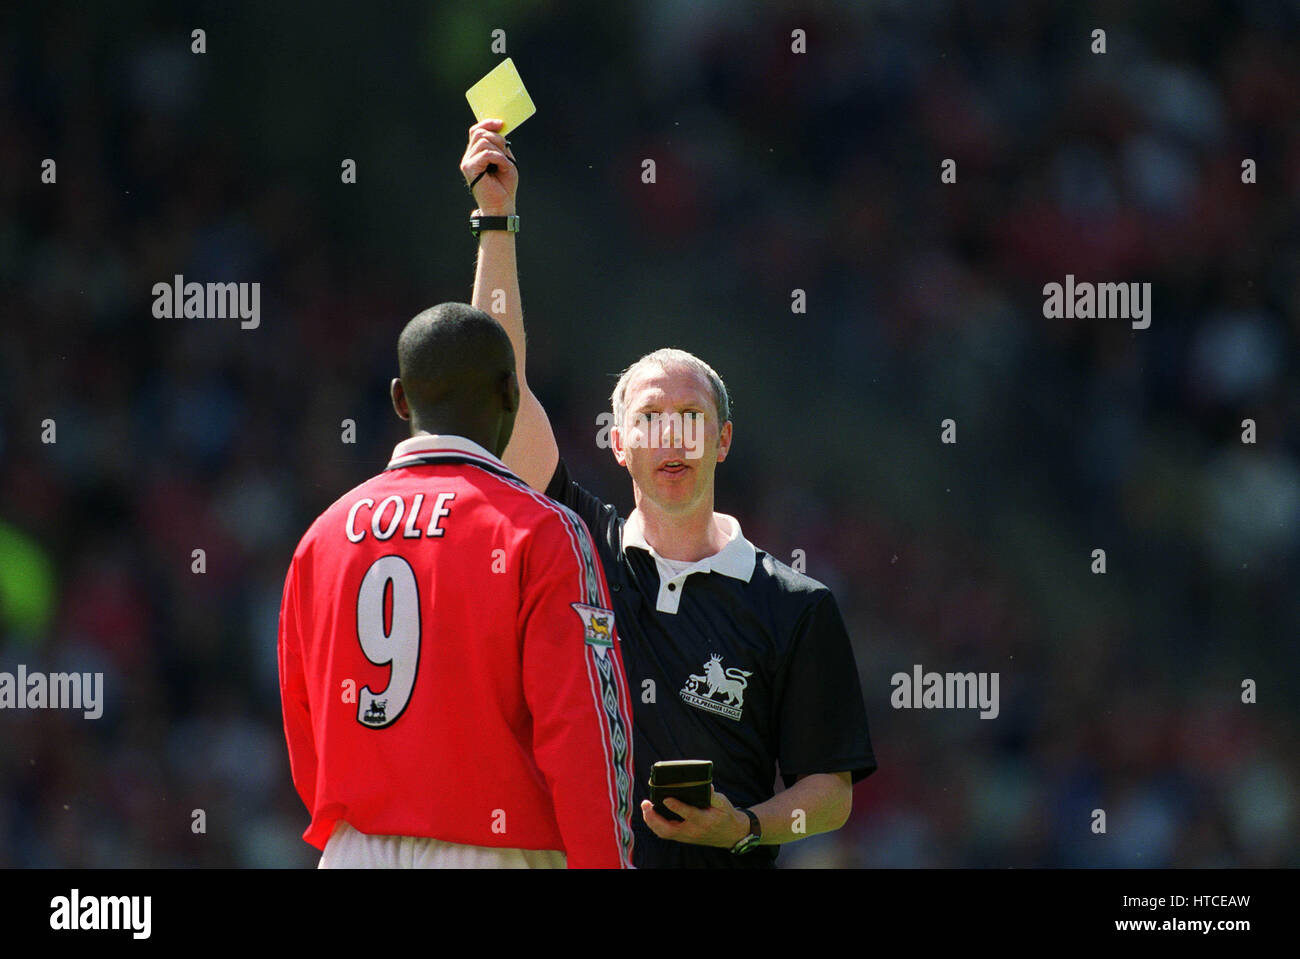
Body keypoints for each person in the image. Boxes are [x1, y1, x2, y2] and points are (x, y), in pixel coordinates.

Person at [460, 120, 876, 868]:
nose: (671, 437)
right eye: (648, 419)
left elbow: (831, 790)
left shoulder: (795, 604)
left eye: (691, 419)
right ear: (617, 444)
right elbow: (501, 388)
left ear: (721, 440)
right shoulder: (576, 542)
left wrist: (743, 825)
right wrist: (496, 219)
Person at [277, 303, 635, 868]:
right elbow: (583, 734)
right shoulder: (542, 531)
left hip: (353, 851)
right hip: (498, 853)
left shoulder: (321, 537)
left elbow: (304, 733)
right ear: (511, 396)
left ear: (400, 398)